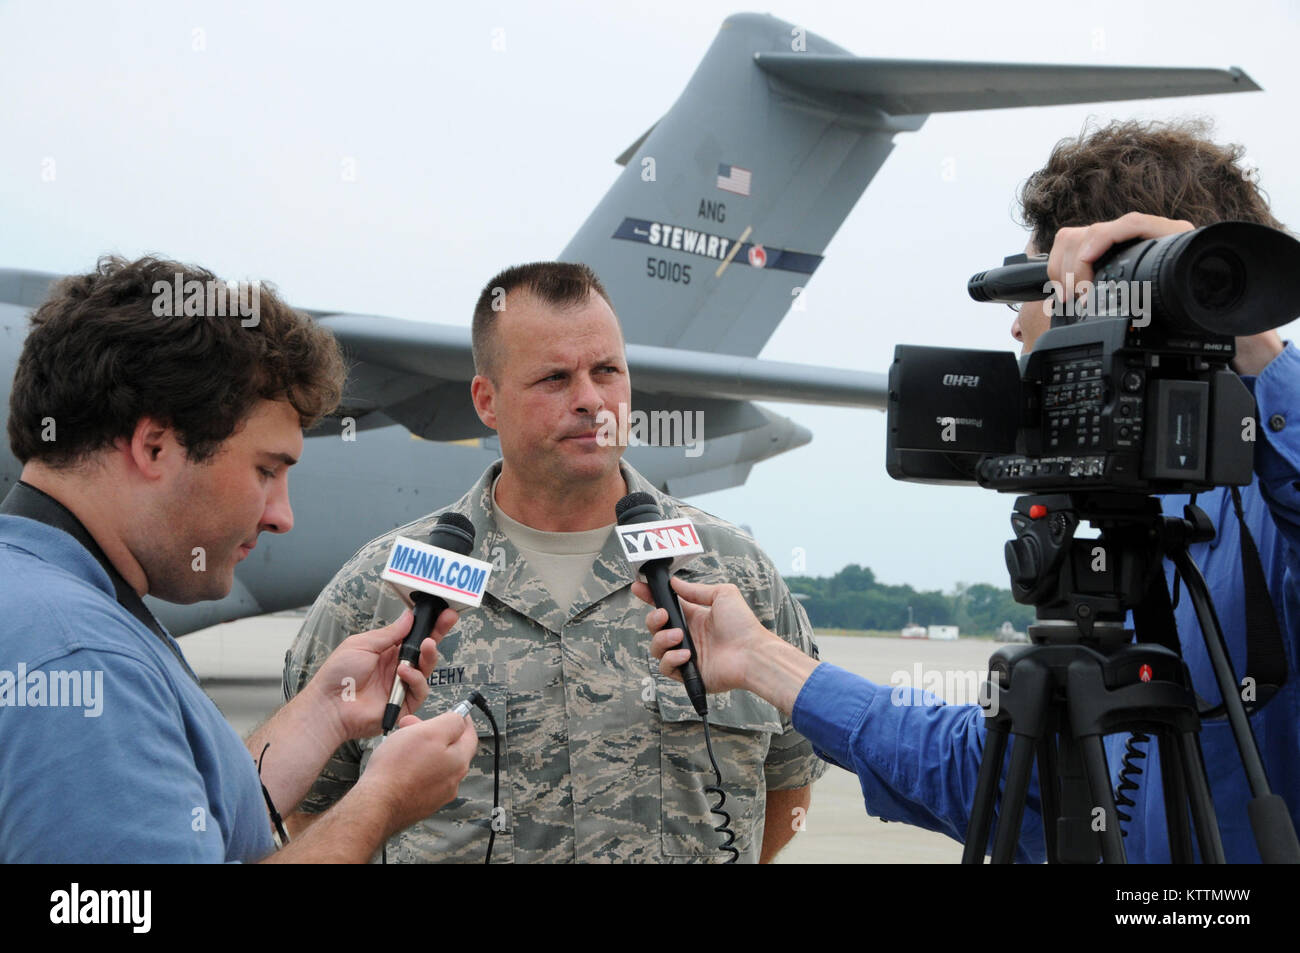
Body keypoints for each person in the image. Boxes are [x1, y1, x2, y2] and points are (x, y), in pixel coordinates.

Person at [638, 119, 1300, 863]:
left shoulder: (1271, 528)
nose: (1018, 324)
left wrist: (1234, 321)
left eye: (1043, 285)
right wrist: (763, 659)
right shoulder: (1136, 531)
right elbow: (994, 774)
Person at [284, 261, 825, 863]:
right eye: (553, 378)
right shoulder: (379, 591)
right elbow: (312, 809)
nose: (590, 400)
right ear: (486, 401)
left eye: (607, 372)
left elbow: (790, 785)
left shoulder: (734, 578)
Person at [0, 255, 478, 863]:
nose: (282, 515)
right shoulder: (84, 658)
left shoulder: (42, 602)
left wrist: (327, 712)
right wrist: (380, 802)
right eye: (265, 470)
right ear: (154, 446)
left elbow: (189, 821)